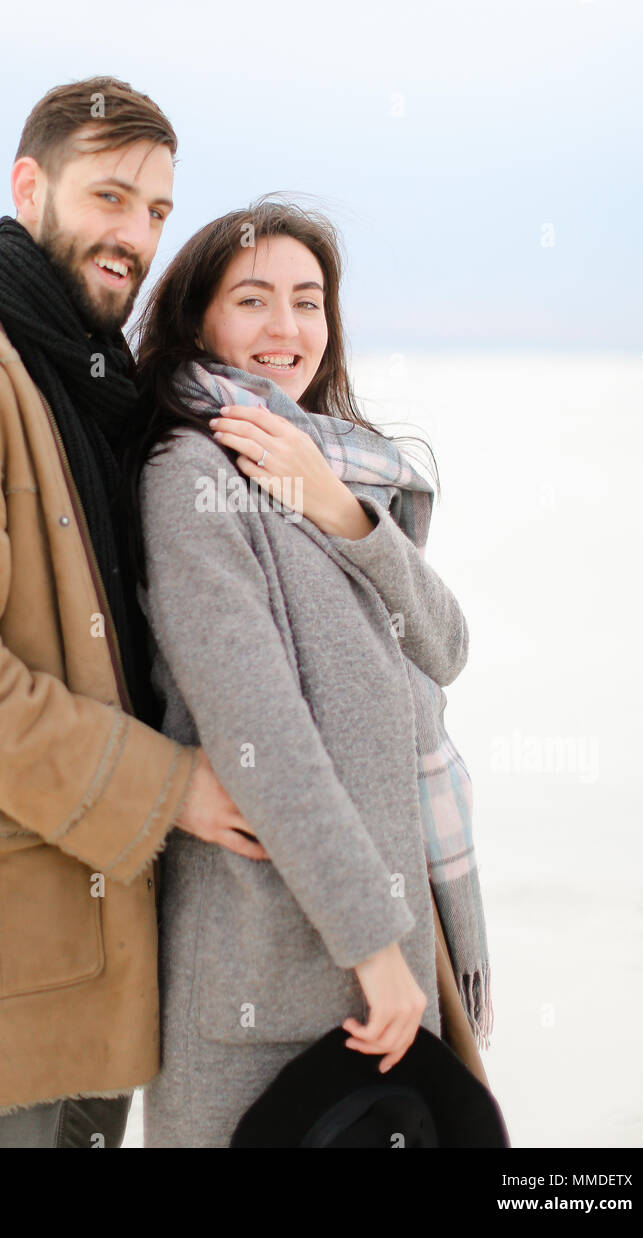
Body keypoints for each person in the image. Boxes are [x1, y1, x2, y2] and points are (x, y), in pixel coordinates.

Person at [0, 76, 268, 1150]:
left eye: (157, 211)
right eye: (110, 197)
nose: (135, 234)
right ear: (29, 186)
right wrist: (173, 788)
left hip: (102, 940)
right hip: (9, 962)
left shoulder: (72, 381)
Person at [125, 200, 493, 1148]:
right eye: (253, 300)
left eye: (308, 301)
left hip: (395, 976)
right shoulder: (187, 476)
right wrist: (373, 950)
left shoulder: (337, 472)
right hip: (270, 986)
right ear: (199, 318)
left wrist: (338, 510)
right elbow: (263, 740)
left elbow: (445, 646)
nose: (286, 330)